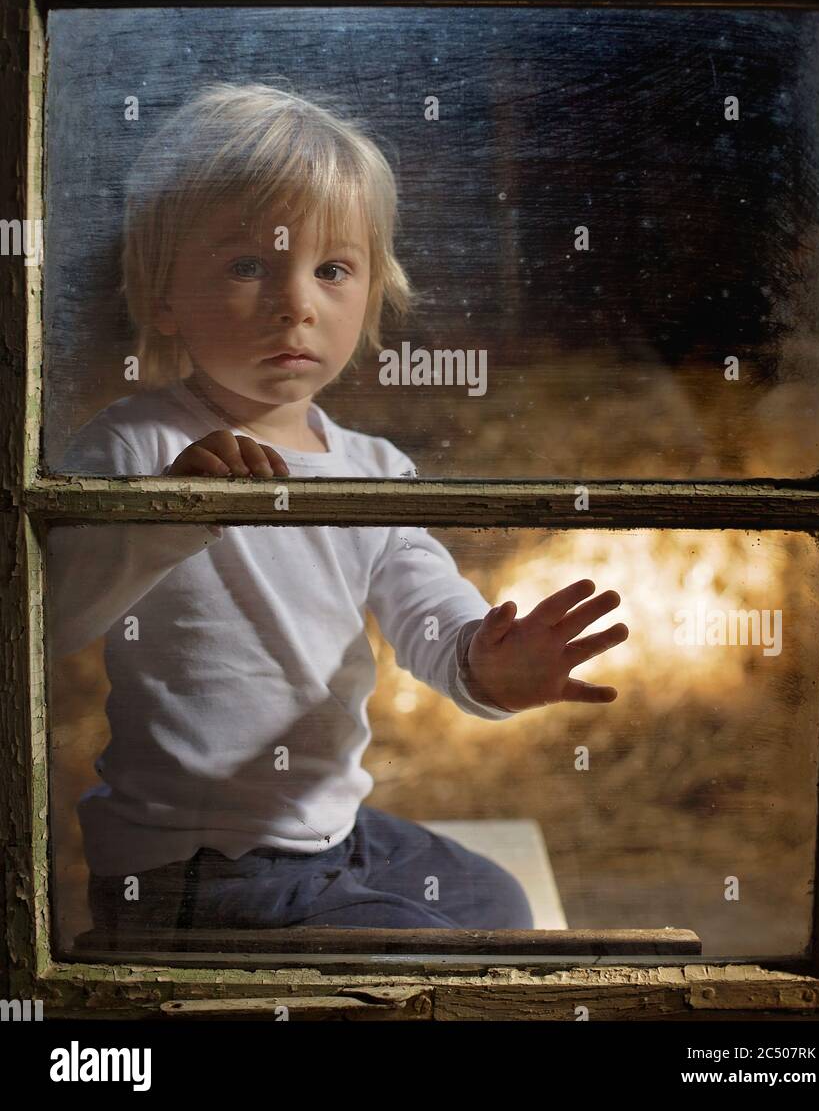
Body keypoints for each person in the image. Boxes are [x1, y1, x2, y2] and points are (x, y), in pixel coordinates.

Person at [47, 81, 628, 939]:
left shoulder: (374, 469)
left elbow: (430, 612)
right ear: (165, 295)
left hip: (333, 838)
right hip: (197, 868)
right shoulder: (134, 447)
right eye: (249, 265)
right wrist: (167, 515)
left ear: (370, 291)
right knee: (428, 955)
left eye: (331, 269)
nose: (297, 302)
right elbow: (48, 613)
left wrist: (484, 662)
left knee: (497, 904)